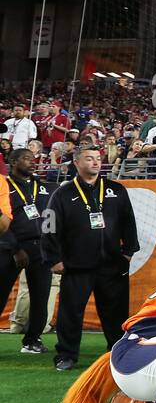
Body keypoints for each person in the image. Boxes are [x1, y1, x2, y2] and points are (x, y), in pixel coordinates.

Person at [41, 145, 138, 370]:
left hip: (112, 266)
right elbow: (49, 226)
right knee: (70, 312)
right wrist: (53, 258)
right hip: (76, 266)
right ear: (76, 162)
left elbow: (129, 222)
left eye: (97, 158)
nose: (95, 162)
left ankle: (117, 353)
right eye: (89, 159)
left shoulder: (116, 189)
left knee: (116, 313)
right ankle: (66, 355)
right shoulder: (63, 193)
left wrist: (128, 252)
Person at [0, 148, 54, 354]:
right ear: (13, 162)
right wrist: (15, 249)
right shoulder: (4, 186)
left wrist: (52, 244)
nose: (32, 162)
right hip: (9, 249)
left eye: (34, 159)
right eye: (26, 158)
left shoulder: (42, 187)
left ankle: (32, 340)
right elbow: (2, 221)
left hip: (40, 248)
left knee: (41, 297)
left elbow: (50, 216)